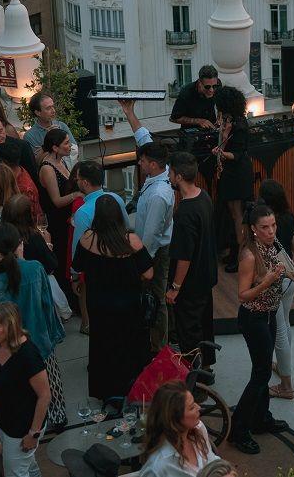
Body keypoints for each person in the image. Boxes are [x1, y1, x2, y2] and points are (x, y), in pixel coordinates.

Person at [0, 223, 66, 430]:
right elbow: (47, 306)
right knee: (48, 386)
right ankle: (57, 418)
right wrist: (54, 335)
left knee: (17, 392)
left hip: (8, 349)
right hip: (40, 343)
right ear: (20, 244)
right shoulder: (36, 269)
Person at [229, 203, 294, 453]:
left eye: (273, 225)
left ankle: (261, 418)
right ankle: (239, 429)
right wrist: (267, 281)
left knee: (263, 371)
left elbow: (282, 266)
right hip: (254, 318)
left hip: (269, 315)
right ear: (254, 229)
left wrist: (290, 275)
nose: (271, 231)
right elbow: (243, 295)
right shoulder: (249, 255)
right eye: (265, 227)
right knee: (260, 374)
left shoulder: (273, 244)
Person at [72, 196, 155, 402]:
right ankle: (130, 387)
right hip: (128, 304)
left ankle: (106, 390)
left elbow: (78, 266)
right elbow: (149, 274)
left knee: (103, 344)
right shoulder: (131, 241)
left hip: (99, 304)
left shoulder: (87, 239)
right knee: (129, 346)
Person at [166, 152, 219, 369]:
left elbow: (184, 256)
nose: (169, 176)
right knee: (205, 325)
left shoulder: (185, 212)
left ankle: (195, 382)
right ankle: (206, 369)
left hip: (191, 284)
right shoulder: (204, 196)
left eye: (170, 173)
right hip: (206, 276)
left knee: (190, 332)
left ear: (178, 177)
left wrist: (175, 287)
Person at [259, 179, 294, 399]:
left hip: (277, 279)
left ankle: (286, 385)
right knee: (285, 322)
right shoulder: (289, 217)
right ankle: (283, 367)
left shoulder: (266, 224)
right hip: (291, 278)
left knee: (278, 331)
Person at [134, 140, 174, 352]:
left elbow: (151, 234)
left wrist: (143, 263)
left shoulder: (159, 195)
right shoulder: (156, 177)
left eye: (143, 161)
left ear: (153, 164)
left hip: (155, 254)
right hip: (152, 250)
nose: (140, 163)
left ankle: (159, 348)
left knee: (156, 299)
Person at [212, 86, 254, 270]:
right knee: (234, 213)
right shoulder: (232, 120)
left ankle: (240, 256)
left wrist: (221, 151)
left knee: (237, 215)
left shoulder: (240, 125)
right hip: (232, 173)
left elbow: (236, 154)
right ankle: (238, 252)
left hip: (236, 173)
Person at [140, 380, 218, 477]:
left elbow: (211, 460)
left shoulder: (199, 428)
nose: (199, 407)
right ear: (174, 419)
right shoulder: (158, 467)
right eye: (191, 407)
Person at [37, 127, 80, 288]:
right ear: (55, 147)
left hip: (66, 218)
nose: (70, 146)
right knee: (62, 257)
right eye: (66, 143)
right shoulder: (48, 168)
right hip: (57, 221)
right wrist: (77, 195)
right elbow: (56, 200)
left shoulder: (60, 160)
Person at [23, 92, 75, 160]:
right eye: (48, 108)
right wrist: (48, 139)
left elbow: (74, 150)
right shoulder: (30, 136)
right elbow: (36, 162)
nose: (53, 111)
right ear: (38, 112)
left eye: (53, 106)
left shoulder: (61, 126)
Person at [169, 65, 219, 132]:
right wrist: (199, 121)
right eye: (207, 87)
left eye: (214, 86)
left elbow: (221, 102)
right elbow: (173, 118)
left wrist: (220, 116)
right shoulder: (186, 93)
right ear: (199, 83)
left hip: (211, 130)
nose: (211, 90)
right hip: (191, 134)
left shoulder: (218, 85)